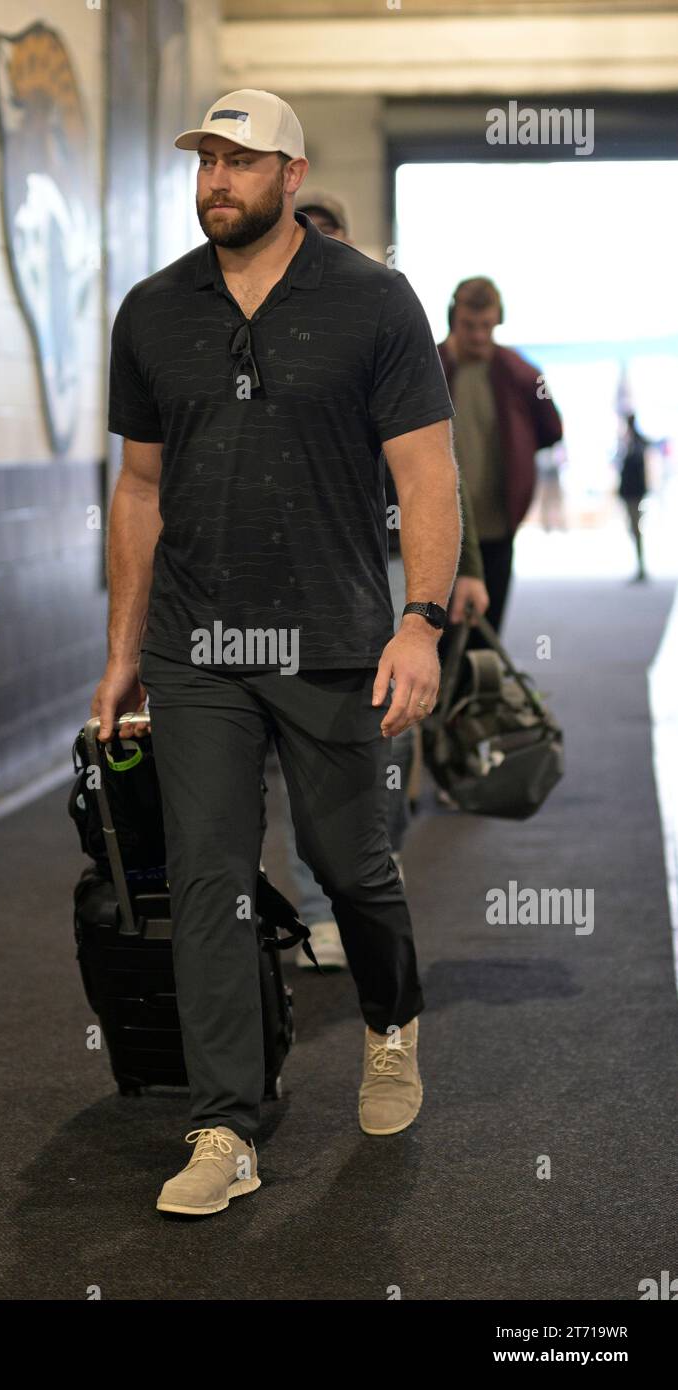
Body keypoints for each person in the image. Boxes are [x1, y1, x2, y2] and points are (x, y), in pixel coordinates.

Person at [92, 88, 462, 1217]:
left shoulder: (373, 303)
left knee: (348, 864)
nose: (215, 180)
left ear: (290, 176)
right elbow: (140, 489)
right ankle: (224, 1123)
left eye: (239, 162)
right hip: (196, 648)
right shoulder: (153, 312)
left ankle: (389, 1026)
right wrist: (123, 653)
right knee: (207, 876)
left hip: (334, 640)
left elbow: (426, 477)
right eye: (204, 159)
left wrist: (420, 620)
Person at [279, 191, 489, 969]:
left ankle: (375, 856)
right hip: (305, 584)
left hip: (395, 575)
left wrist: (454, 578)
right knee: (312, 751)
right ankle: (316, 906)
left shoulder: (381, 329)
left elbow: (438, 474)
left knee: (392, 745)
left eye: (326, 246)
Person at [436, 277, 563, 655]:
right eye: (468, 326)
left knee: (485, 640)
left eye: (487, 326)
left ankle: (476, 713)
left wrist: (518, 455)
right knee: (435, 637)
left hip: (497, 526)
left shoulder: (520, 373)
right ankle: (440, 712)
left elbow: (551, 429)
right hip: (436, 528)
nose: (478, 336)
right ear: (452, 320)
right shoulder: (429, 367)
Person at [616, 412, 649, 582]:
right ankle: (640, 566)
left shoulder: (636, 444)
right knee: (632, 529)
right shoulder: (628, 444)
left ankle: (641, 567)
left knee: (636, 529)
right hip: (630, 493)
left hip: (635, 494)